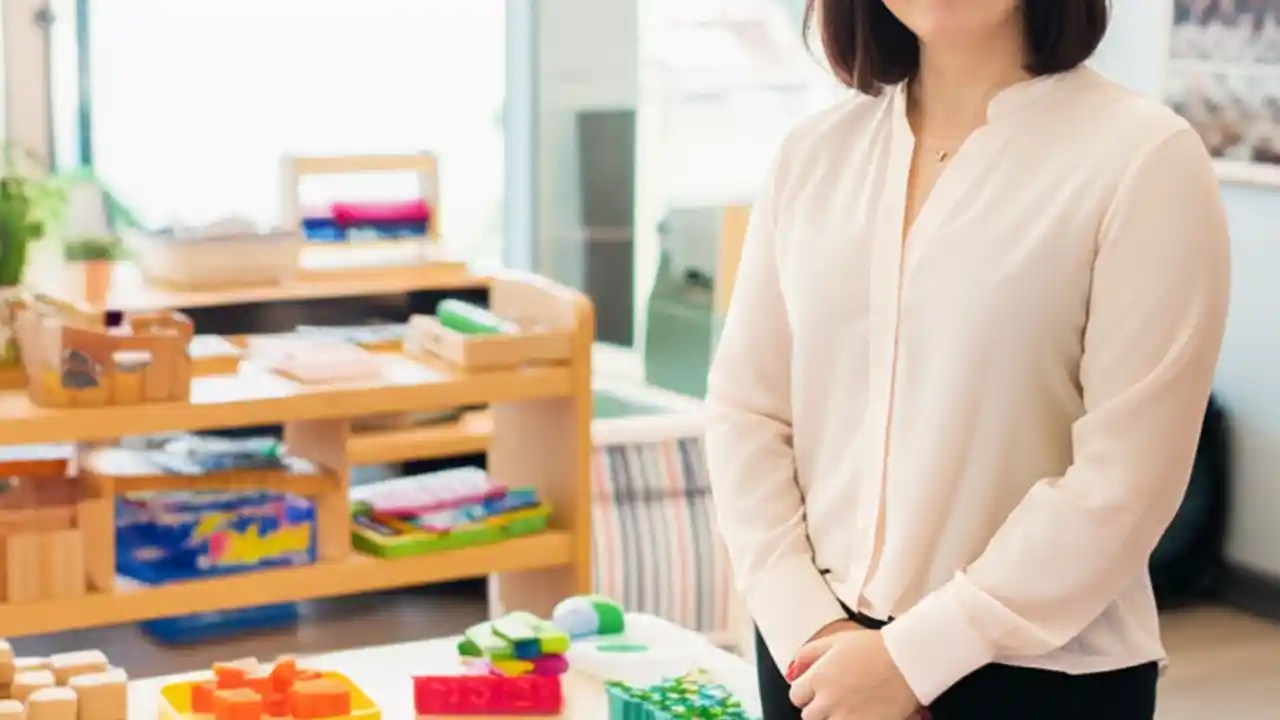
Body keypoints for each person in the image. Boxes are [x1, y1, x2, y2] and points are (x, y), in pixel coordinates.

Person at [704, 1, 1231, 719]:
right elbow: (746, 409)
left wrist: (916, 657)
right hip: (812, 663)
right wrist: (808, 624)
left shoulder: (1142, 157)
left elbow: (1128, 477)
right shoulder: (812, 155)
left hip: (1035, 676)